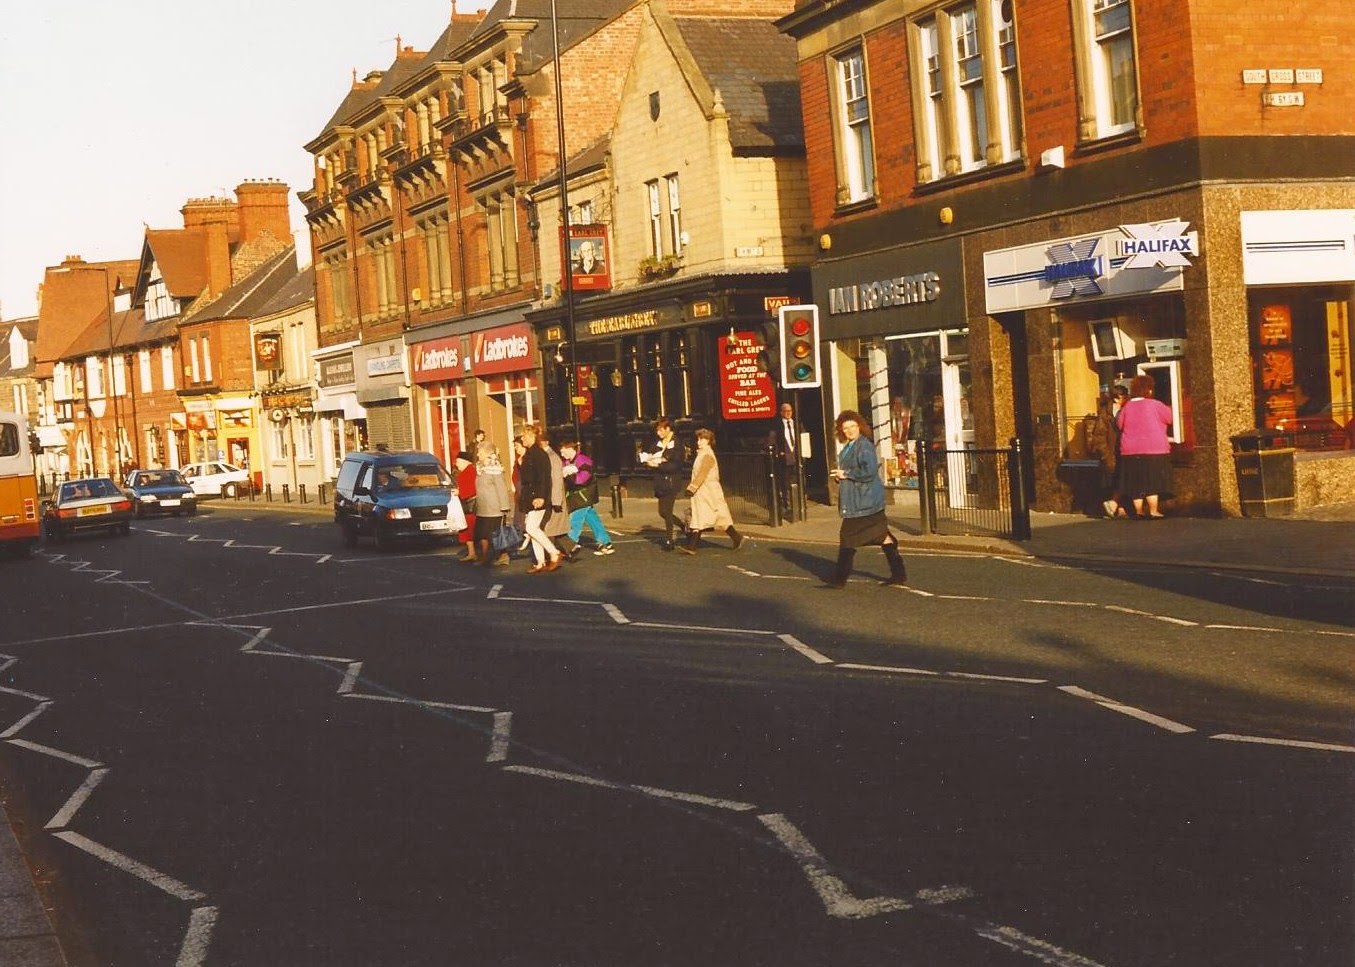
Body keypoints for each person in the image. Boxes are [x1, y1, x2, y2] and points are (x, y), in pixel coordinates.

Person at [824, 410, 907, 588]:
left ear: (859, 426)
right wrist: (840, 476)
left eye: (853, 426)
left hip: (864, 502)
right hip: (862, 501)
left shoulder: (864, 446)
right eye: (845, 428)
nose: (850, 430)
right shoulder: (850, 446)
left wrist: (845, 474)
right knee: (883, 536)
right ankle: (899, 574)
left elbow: (869, 472)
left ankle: (839, 580)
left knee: (847, 537)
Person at [1115, 373, 1174, 519]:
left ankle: (1139, 511)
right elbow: (1171, 418)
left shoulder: (1127, 406)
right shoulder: (1156, 405)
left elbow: (1119, 424)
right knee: (1152, 482)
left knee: (1136, 483)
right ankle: (1153, 511)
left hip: (1130, 450)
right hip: (1155, 448)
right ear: (1149, 390)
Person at [678, 429, 742, 554]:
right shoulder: (702, 454)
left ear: (708, 441)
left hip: (709, 491)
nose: (698, 442)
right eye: (698, 439)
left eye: (701, 439)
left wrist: (692, 488)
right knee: (702, 516)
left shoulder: (707, 455)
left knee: (714, 516)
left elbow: (702, 473)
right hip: (703, 490)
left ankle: (736, 537)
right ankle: (692, 546)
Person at [517, 424, 562, 572]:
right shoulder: (530, 453)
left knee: (531, 527)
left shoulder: (539, 454)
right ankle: (540, 561)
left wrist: (541, 496)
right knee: (532, 528)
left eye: (523, 435)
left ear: (531, 436)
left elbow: (544, 478)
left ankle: (554, 553)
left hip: (537, 496)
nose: (521, 438)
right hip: (530, 496)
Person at [560, 439, 614, 555]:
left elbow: (583, 479)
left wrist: (568, 475)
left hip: (584, 494)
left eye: (563, 452)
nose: (562, 455)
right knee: (592, 518)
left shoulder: (583, 460)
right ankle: (606, 542)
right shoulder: (566, 462)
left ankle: (569, 544)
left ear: (570, 449)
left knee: (575, 520)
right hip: (577, 495)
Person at [639, 417, 685, 550]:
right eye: (657, 430)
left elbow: (675, 465)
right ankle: (683, 526)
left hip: (671, 481)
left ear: (668, 429)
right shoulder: (658, 443)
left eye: (660, 430)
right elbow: (650, 455)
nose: (658, 433)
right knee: (662, 512)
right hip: (660, 482)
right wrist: (648, 461)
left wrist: (657, 465)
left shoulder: (676, 443)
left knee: (667, 510)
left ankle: (669, 541)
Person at [1089, 385, 1130, 518]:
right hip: (1112, 452)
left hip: (1124, 449)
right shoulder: (1105, 414)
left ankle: (1120, 507)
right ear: (1117, 398)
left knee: (1123, 478)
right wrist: (1106, 455)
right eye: (1124, 396)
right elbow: (1099, 436)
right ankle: (1117, 506)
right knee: (1115, 480)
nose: (1126, 398)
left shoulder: (1126, 409)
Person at [472, 442, 512, 566]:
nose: (478, 454)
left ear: (487, 453)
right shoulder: (481, 467)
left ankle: (504, 556)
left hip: (494, 508)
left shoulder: (494, 467)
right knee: (482, 533)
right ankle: (484, 557)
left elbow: (501, 487)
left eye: (480, 452)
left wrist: (504, 506)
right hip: (483, 507)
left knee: (497, 534)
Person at [538, 430, 577, 560]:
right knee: (552, 527)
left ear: (545, 442)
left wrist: (555, 501)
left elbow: (556, 479)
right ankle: (570, 548)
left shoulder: (552, 457)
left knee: (548, 527)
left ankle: (551, 555)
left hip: (554, 498)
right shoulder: (544, 455)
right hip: (549, 497)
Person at [769, 401, 799, 519]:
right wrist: (777, 452)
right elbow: (772, 439)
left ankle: (798, 503)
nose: (788, 413)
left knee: (798, 480)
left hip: (796, 458)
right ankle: (786, 504)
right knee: (785, 483)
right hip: (784, 458)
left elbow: (802, 436)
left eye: (790, 411)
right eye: (785, 411)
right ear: (781, 413)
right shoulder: (777, 425)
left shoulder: (796, 423)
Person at [452, 450, 478, 562]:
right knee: (467, 529)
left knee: (471, 529)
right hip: (466, 505)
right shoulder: (468, 471)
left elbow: (473, 489)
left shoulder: (470, 472)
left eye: (458, 462)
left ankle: (475, 553)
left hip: (470, 505)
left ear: (464, 461)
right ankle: (472, 553)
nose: (456, 464)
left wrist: (460, 492)